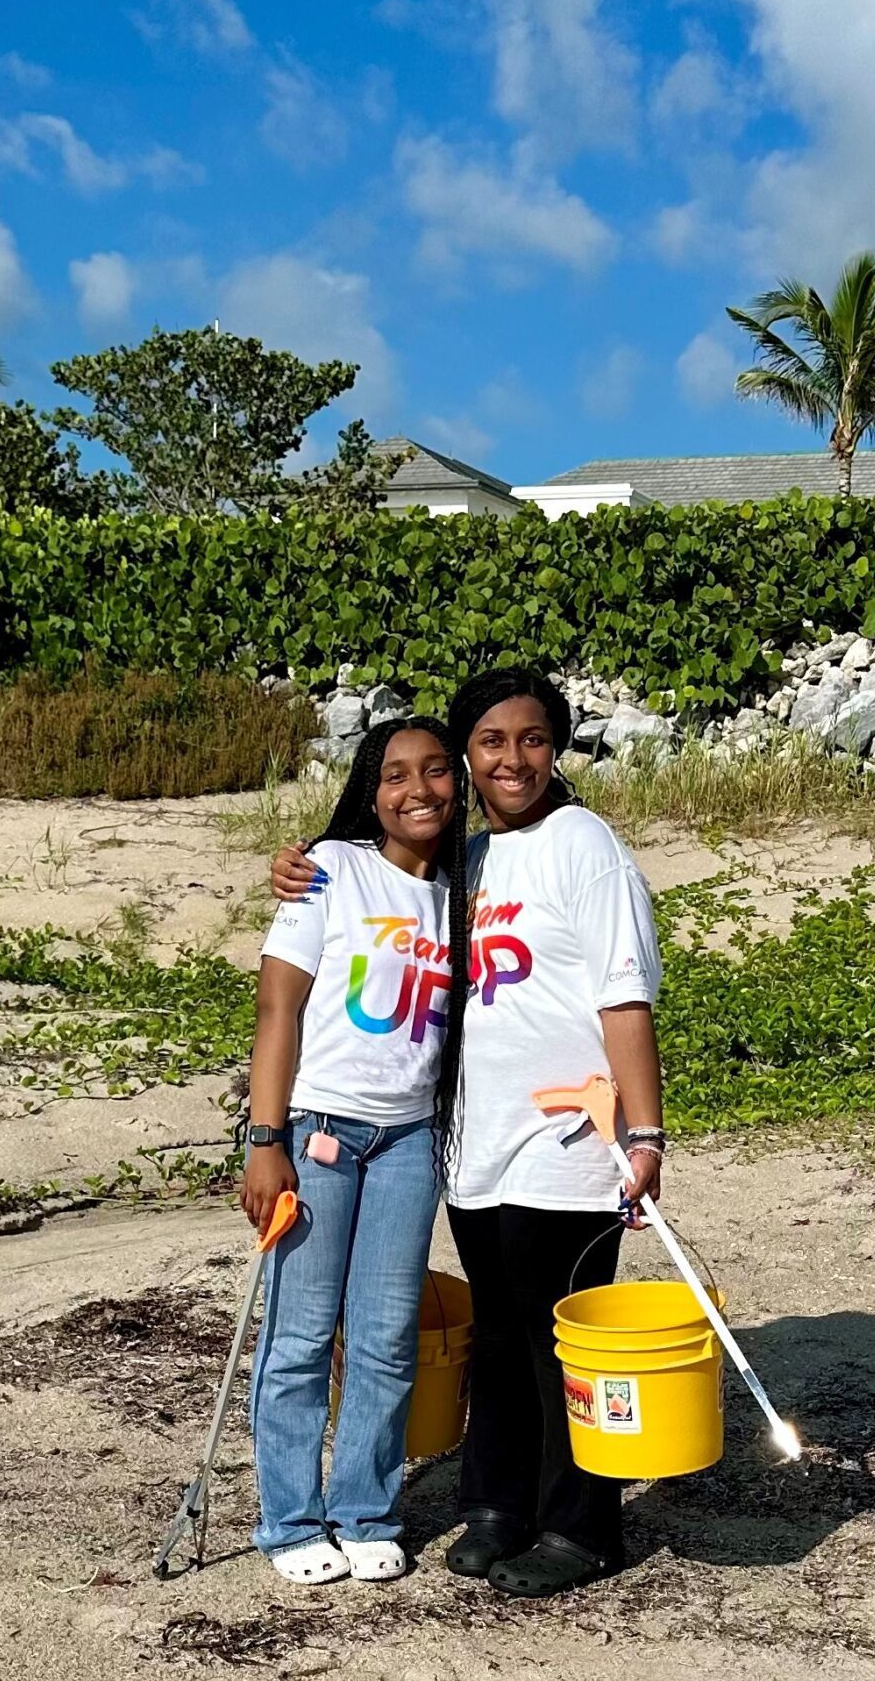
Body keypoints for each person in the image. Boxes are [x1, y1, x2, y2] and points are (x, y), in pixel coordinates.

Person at [271, 668, 664, 1599]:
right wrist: (303, 860)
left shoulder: (586, 845)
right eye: (491, 744)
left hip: (569, 1139)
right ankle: (496, 1505)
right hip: (471, 1147)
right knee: (495, 1334)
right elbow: (368, 899)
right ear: (469, 763)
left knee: (556, 1337)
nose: (511, 760)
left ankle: (581, 1525)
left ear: (557, 748)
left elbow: (624, 993)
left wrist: (645, 1133)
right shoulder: (469, 862)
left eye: (531, 740)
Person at [242, 716, 469, 1585]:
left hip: (410, 1139)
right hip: (317, 1131)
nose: (420, 791)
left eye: (438, 771)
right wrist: (267, 1140)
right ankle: (291, 1521)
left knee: (383, 1339)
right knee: (299, 1337)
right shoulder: (331, 869)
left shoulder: (463, 891)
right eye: (397, 776)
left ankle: (365, 1509)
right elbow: (279, 1011)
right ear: (370, 794)